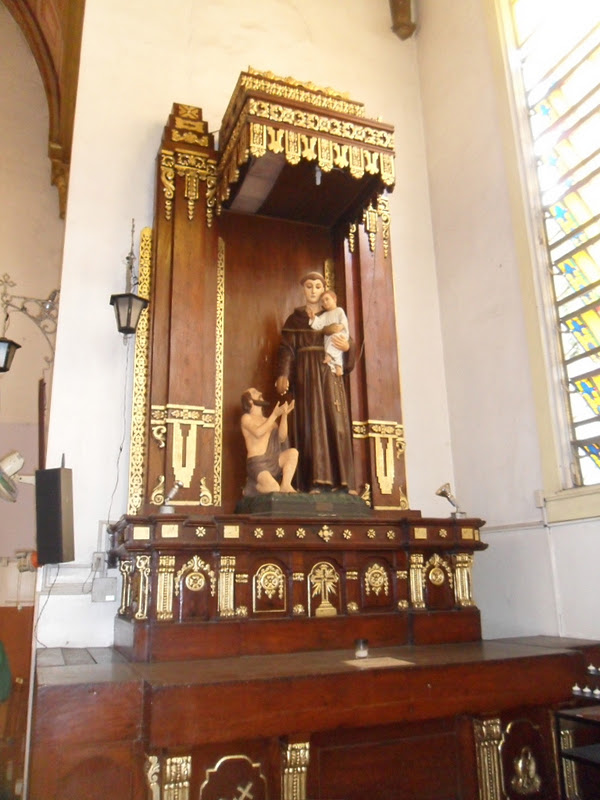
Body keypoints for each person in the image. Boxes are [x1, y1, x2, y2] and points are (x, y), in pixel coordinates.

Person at [276, 272, 356, 494]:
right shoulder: (295, 320)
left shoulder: (333, 314)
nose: (313, 290)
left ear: (324, 291)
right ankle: (314, 482)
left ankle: (342, 482)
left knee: (335, 422)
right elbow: (287, 349)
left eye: (318, 286)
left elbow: (347, 338)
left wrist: (348, 347)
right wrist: (283, 374)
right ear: (303, 289)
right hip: (306, 374)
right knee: (311, 424)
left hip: (329, 372)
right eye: (309, 286)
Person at [241, 387, 298, 496]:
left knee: (293, 453)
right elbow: (258, 433)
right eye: (255, 392)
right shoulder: (247, 418)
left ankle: (286, 484)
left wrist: (284, 415)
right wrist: (274, 415)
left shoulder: (270, 421)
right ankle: (253, 487)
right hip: (257, 463)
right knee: (273, 488)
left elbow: (282, 437)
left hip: (273, 460)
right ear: (250, 401)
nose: (260, 392)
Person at [308, 289, 349, 377]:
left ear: (334, 299)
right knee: (330, 343)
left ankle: (330, 356)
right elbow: (318, 324)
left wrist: (341, 326)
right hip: (329, 337)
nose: (325, 302)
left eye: (327, 299)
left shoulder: (339, 311)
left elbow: (344, 320)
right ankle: (338, 367)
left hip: (340, 334)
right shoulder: (325, 315)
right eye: (322, 301)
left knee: (336, 341)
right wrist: (313, 318)